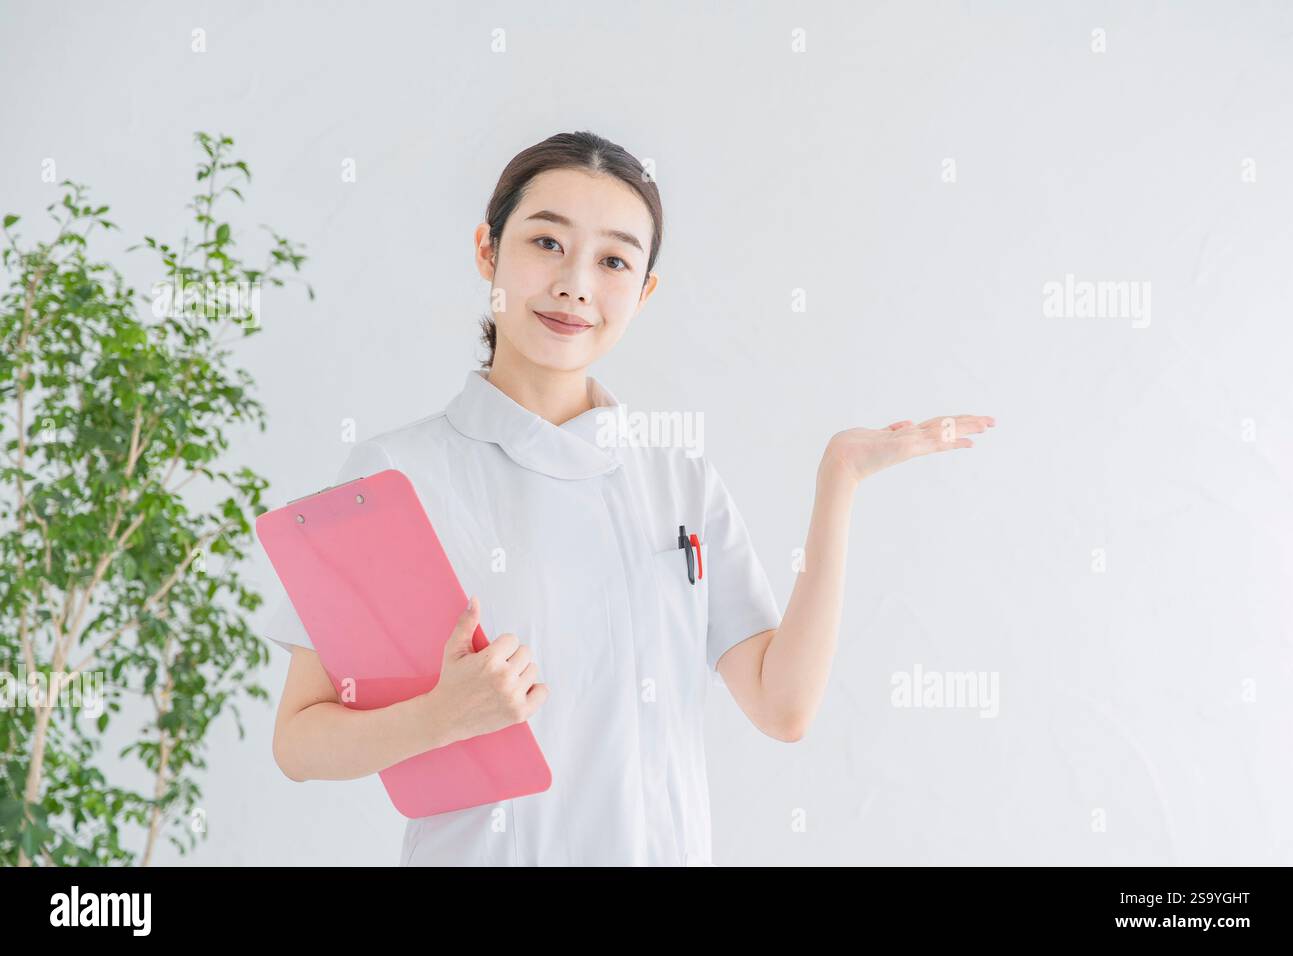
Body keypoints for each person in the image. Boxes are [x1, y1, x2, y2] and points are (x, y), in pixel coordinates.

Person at [265, 130, 995, 865]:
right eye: (546, 243)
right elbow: (298, 741)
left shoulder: (678, 480)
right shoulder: (395, 472)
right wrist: (440, 718)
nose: (576, 283)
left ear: (643, 292)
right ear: (487, 251)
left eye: (613, 260)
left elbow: (783, 706)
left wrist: (839, 480)